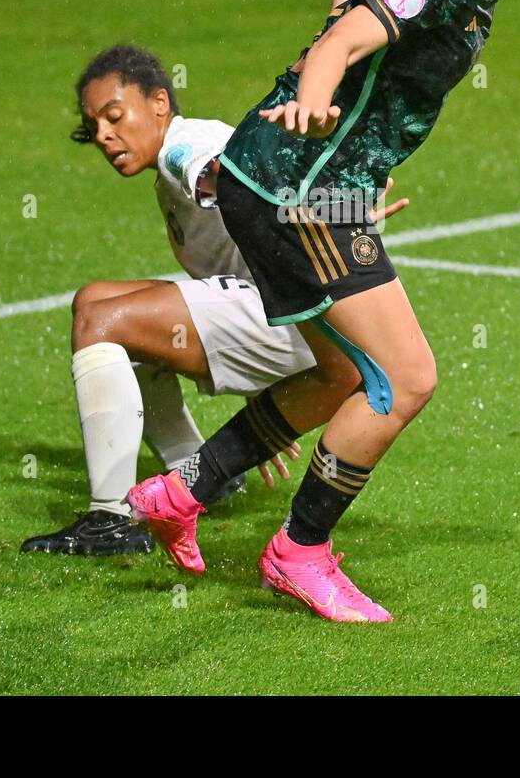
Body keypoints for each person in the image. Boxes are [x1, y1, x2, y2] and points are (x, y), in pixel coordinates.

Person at [126, 0, 520, 622]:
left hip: (310, 183)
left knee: (344, 376)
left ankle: (186, 491)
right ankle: (298, 553)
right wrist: (315, 108)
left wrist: (351, 155)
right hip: (296, 185)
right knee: (406, 377)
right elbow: (345, 35)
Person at [21, 44, 408, 555]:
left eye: (115, 117)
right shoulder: (168, 174)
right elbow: (263, 209)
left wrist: (330, 208)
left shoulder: (183, 146)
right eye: (94, 128)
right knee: (98, 305)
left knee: (102, 318)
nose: (104, 135)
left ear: (159, 102)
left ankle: (109, 519)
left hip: (293, 322)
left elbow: (221, 173)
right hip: (282, 314)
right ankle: (198, 472)